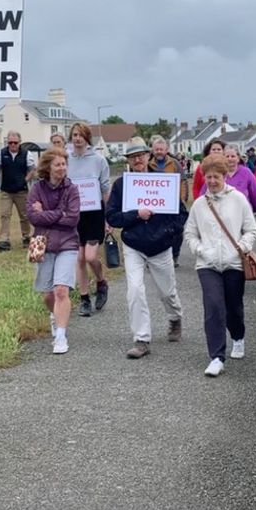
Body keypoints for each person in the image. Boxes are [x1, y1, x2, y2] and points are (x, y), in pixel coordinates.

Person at [107, 137, 186, 358]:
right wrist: (135, 215)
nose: (138, 160)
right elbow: (112, 216)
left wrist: (170, 233)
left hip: (160, 245)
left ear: (148, 156)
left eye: (141, 155)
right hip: (134, 245)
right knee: (135, 290)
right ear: (129, 161)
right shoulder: (121, 185)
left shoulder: (164, 181)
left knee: (167, 292)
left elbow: (181, 213)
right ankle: (141, 339)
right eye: (133, 157)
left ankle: (174, 316)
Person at [184, 154, 256, 377]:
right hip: (207, 264)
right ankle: (216, 357)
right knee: (214, 306)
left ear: (224, 176)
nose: (212, 181)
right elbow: (190, 233)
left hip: (234, 263)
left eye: (216, 177)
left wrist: (242, 247)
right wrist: (200, 249)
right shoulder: (199, 205)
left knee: (233, 307)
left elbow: (251, 229)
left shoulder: (238, 199)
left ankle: (238, 336)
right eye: (208, 177)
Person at [27, 147, 81, 354]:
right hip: (41, 243)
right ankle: (55, 315)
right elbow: (33, 218)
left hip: (68, 243)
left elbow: (73, 219)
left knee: (61, 290)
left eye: (64, 164)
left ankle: (60, 335)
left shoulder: (72, 189)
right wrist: (60, 213)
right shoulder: (36, 189)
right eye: (58, 164)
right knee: (48, 294)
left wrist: (48, 214)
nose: (62, 168)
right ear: (48, 167)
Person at [67, 122, 112, 317]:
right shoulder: (66, 159)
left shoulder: (99, 160)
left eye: (81, 135)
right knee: (79, 257)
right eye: (74, 135)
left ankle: (101, 282)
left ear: (87, 138)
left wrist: (108, 218)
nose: (77, 138)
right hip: (75, 214)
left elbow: (105, 190)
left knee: (91, 256)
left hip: (94, 213)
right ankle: (84, 298)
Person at [200, 145, 256, 225]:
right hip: (222, 219)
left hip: (243, 217)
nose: (230, 159)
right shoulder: (217, 173)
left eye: (233, 156)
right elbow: (204, 194)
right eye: (227, 156)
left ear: (238, 158)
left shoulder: (246, 173)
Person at [149, 136, 186, 267]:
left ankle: (174, 255)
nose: (159, 152)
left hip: (173, 204)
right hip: (154, 204)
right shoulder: (148, 164)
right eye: (156, 149)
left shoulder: (175, 164)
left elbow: (182, 182)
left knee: (177, 231)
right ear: (152, 151)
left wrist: (181, 200)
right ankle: (153, 256)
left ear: (166, 150)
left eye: (161, 149)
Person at [0, 131, 35, 252]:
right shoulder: (1, 154)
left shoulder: (27, 154)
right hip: (6, 191)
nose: (12, 145)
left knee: (25, 215)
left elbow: (32, 170)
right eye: (10, 142)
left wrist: (25, 180)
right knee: (5, 215)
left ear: (19, 142)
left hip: (21, 191)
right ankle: (4, 240)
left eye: (15, 142)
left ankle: (26, 237)